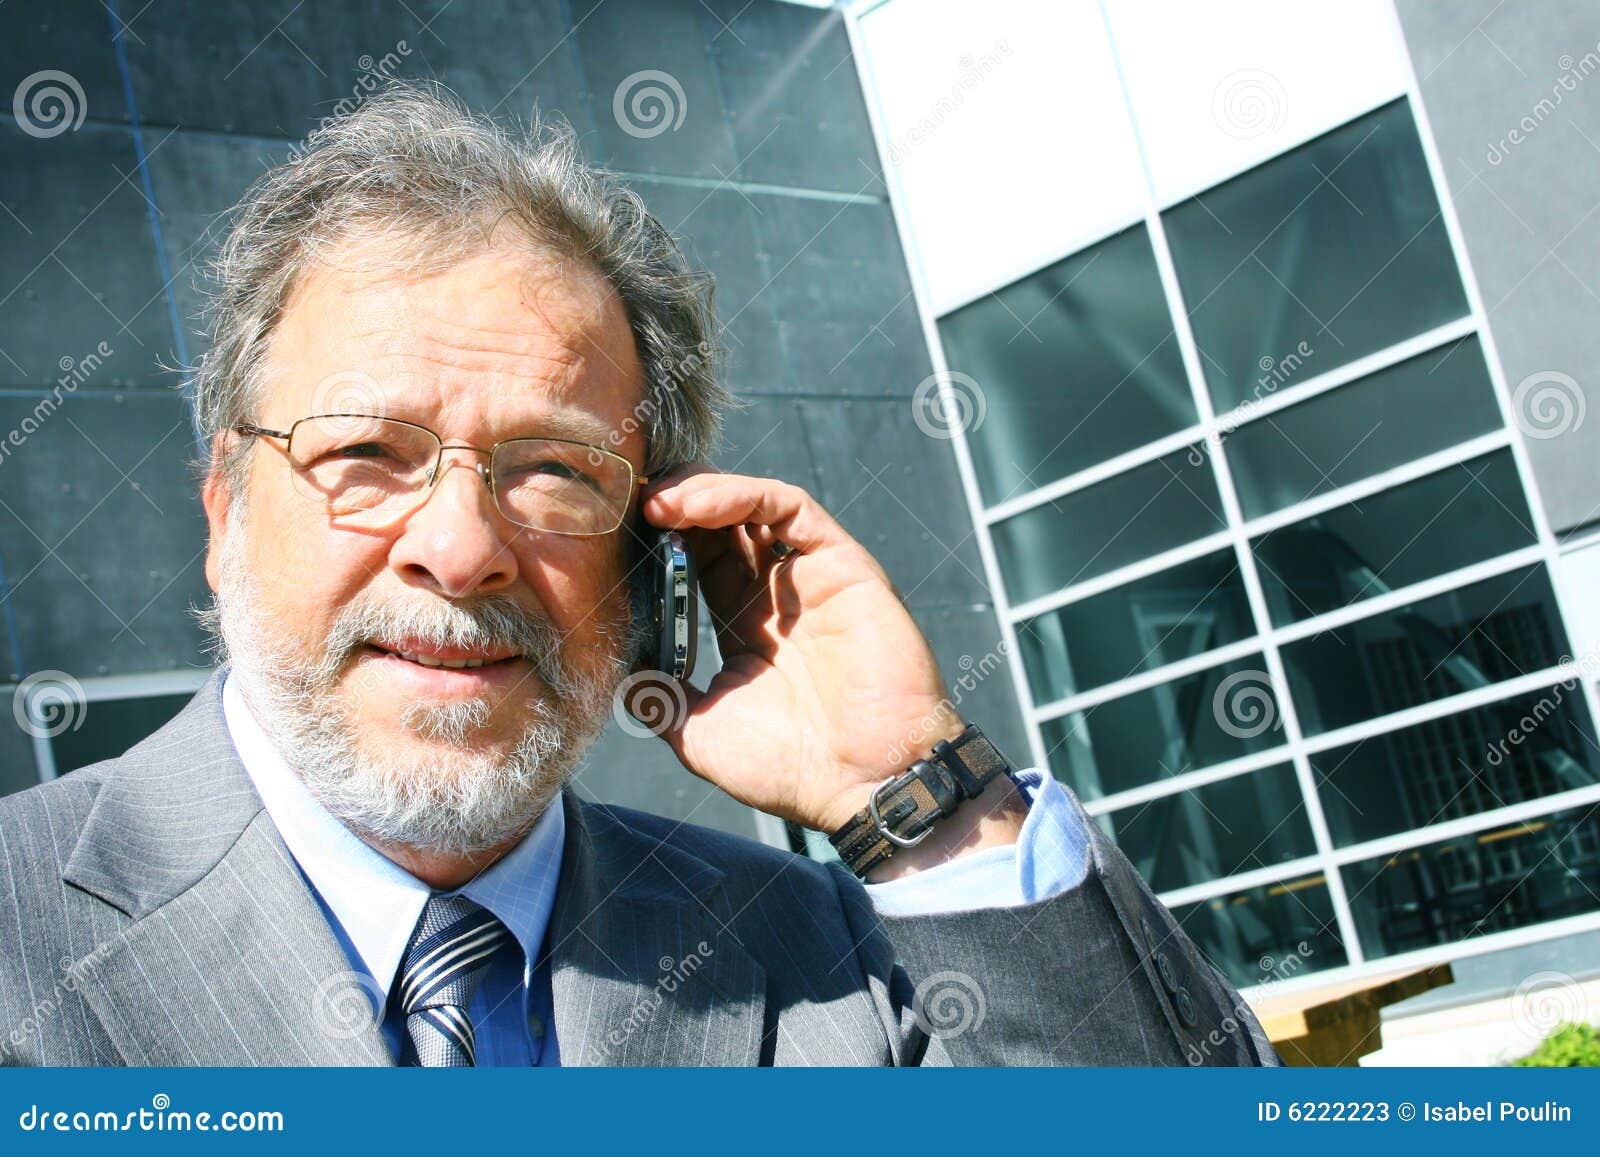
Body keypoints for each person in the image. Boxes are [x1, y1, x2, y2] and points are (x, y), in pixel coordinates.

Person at [0, 82, 1278, 1068]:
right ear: (227, 512)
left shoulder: (836, 957)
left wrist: (920, 796)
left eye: (554, 468)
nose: (460, 546)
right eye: (368, 453)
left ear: (653, 545)